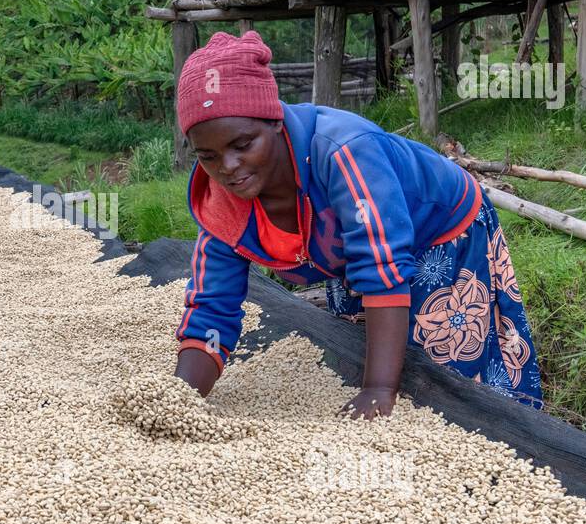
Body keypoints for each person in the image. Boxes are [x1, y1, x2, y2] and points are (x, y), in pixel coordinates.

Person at [173, 30, 543, 417]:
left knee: (445, 362)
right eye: (208, 156)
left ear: (276, 122)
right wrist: (180, 400)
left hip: (440, 232)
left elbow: (381, 268)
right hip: (352, 250)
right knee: (359, 344)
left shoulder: (343, 151)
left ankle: (507, 432)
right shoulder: (220, 200)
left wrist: (379, 390)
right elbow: (212, 304)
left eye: (243, 145)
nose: (227, 168)